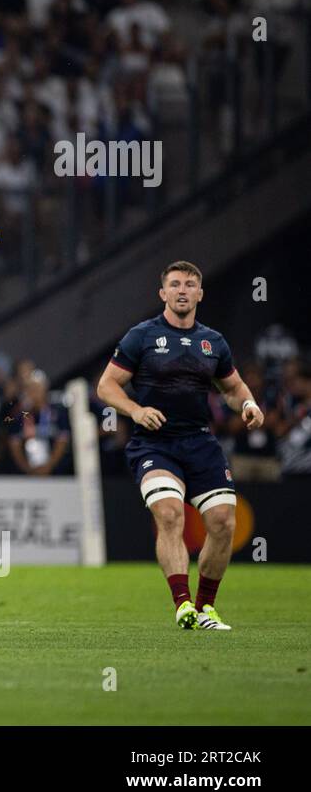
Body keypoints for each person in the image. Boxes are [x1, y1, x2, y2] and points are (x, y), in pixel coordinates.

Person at [96, 261, 263, 630]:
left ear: (200, 293)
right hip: (154, 445)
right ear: (163, 293)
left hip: (200, 443)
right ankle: (182, 604)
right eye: (175, 284)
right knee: (170, 514)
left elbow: (232, 388)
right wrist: (136, 411)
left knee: (223, 523)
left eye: (190, 284)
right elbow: (106, 386)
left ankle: (206, 609)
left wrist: (249, 404)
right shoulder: (141, 336)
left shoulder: (213, 342)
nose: (182, 290)